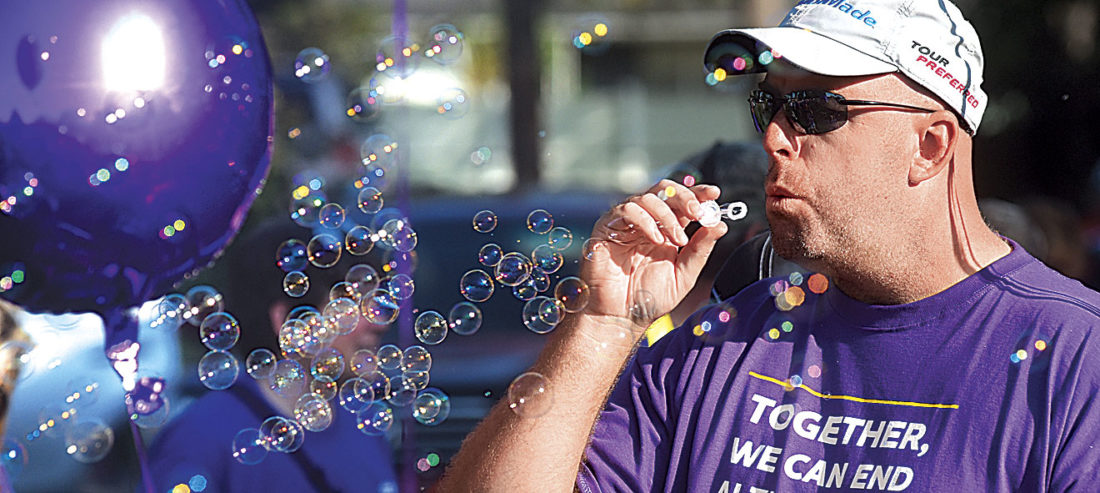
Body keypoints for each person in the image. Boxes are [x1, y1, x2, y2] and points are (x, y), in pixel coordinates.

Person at [435, 0, 1100, 491]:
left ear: (929, 146)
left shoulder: (1075, 360)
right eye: (768, 107)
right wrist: (603, 325)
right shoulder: (712, 349)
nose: (775, 138)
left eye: (815, 110)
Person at [146, 218, 397, 493]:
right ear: (293, 324)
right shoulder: (201, 440)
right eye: (352, 304)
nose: (380, 323)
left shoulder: (361, 425)